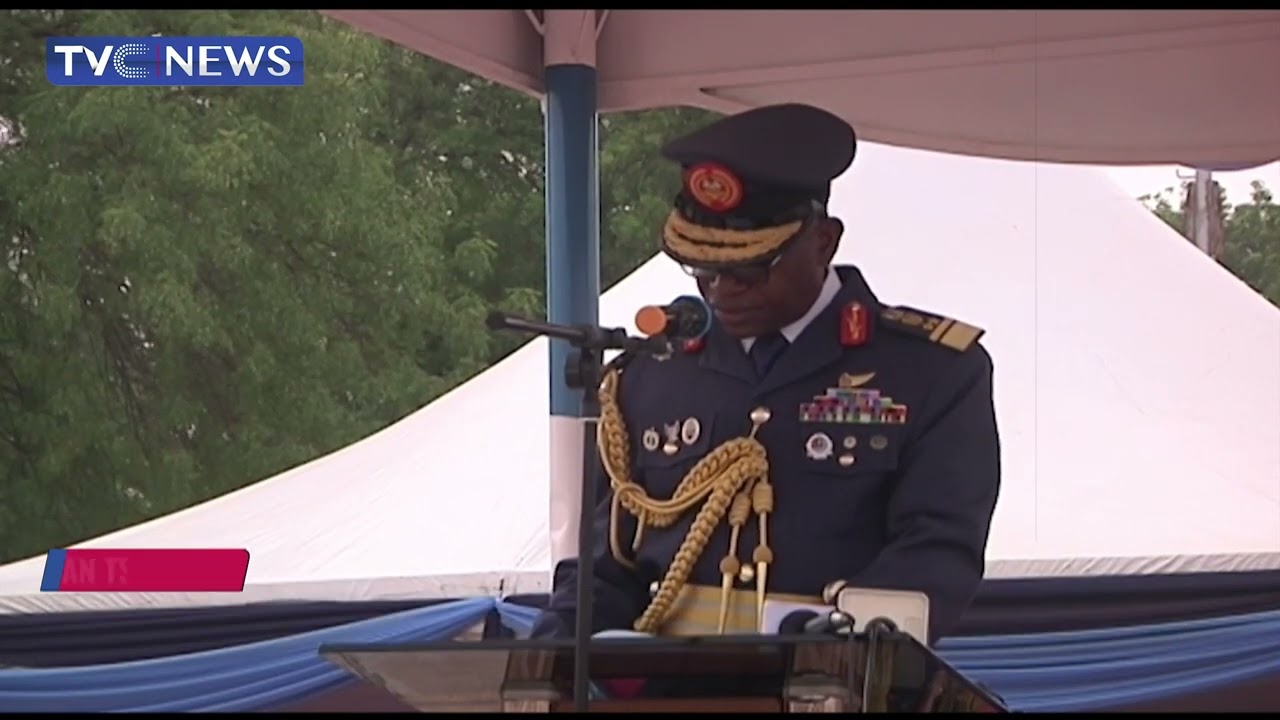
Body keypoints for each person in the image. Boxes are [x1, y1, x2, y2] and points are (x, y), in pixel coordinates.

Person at [530, 103, 1001, 646]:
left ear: (823, 241)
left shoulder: (929, 370)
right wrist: (543, 661)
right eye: (703, 269)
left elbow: (936, 550)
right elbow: (606, 567)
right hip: (662, 679)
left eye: (750, 270)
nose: (722, 291)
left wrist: (838, 651)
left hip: (837, 675)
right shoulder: (646, 378)